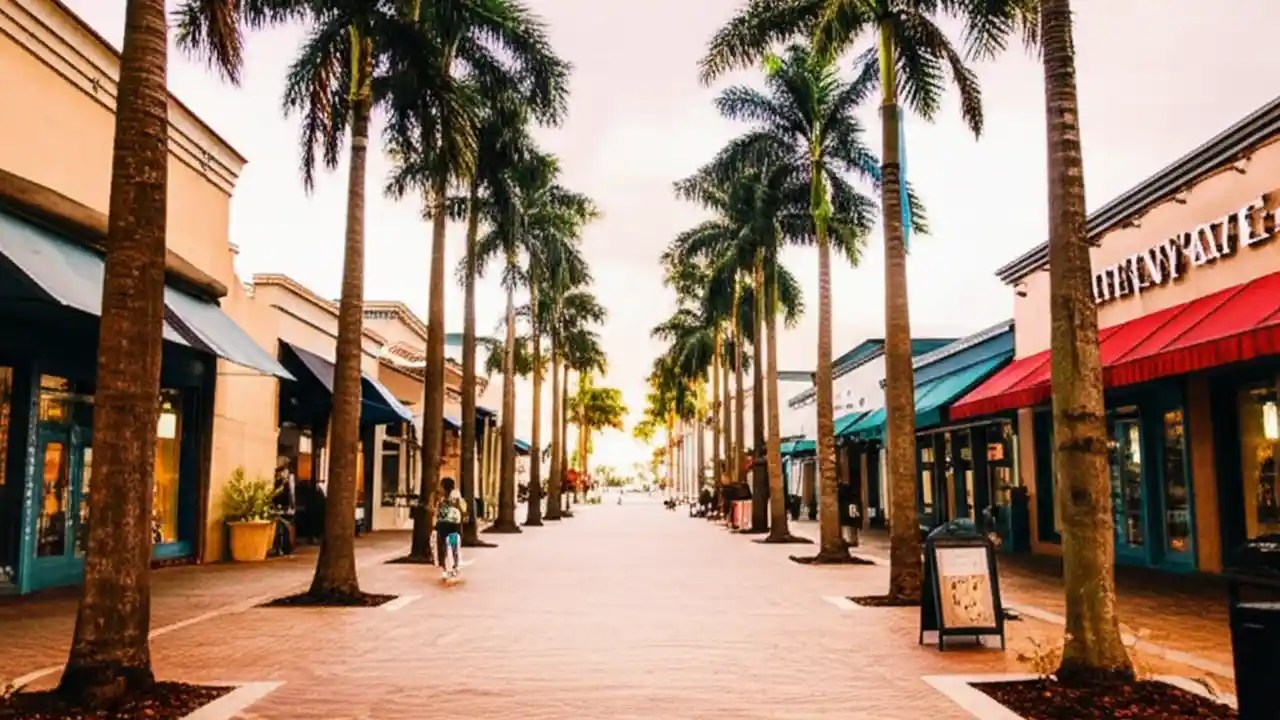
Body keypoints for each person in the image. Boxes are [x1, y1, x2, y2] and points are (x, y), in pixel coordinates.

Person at [436, 477, 466, 580]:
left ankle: (446, 569)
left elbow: (437, 509)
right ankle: (454, 567)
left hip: (444, 524)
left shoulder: (441, 496)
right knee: (453, 545)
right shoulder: (456, 496)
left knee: (443, 546)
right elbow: (463, 509)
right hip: (454, 524)